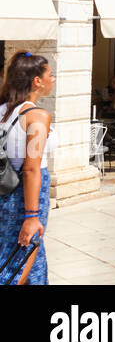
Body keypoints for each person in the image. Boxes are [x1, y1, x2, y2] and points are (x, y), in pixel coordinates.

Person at [0, 52, 56, 284]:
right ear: (37, 81)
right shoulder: (37, 116)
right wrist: (32, 216)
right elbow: (31, 168)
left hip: (3, 190)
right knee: (19, 257)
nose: (53, 79)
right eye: (50, 75)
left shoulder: (2, 110)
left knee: (26, 253)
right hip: (27, 195)